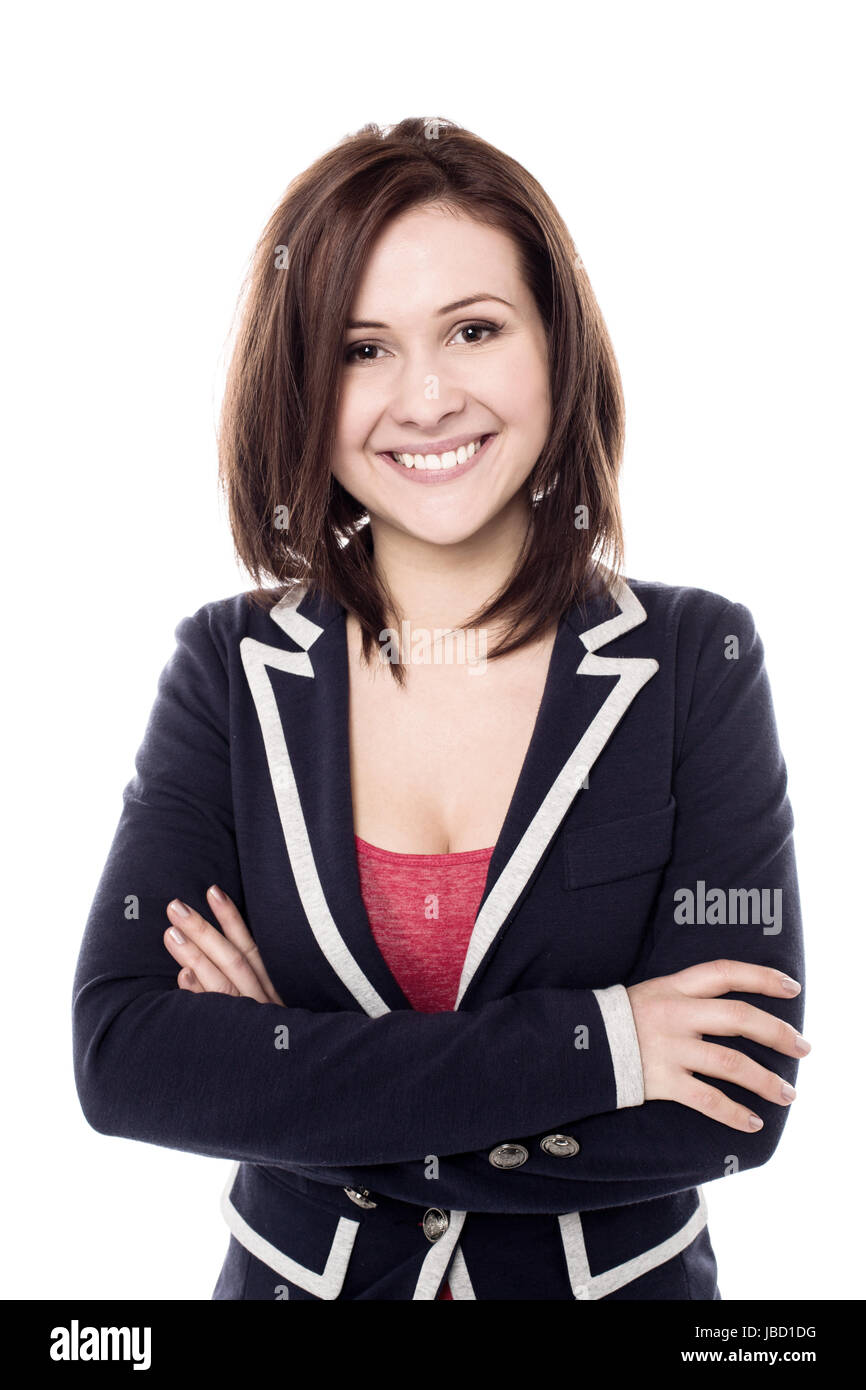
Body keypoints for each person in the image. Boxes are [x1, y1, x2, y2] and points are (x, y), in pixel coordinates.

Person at [72, 116, 809, 1301]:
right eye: (361, 349)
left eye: (472, 329)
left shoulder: (693, 659)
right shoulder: (231, 663)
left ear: (553, 348)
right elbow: (125, 1063)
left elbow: (730, 1108)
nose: (424, 397)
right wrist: (605, 1043)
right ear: (301, 386)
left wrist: (292, 1077)